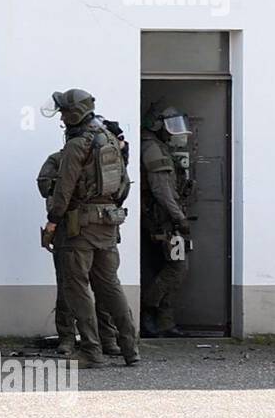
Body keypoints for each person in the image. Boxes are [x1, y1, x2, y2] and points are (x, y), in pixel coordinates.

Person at [41, 89, 140, 367]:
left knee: (77, 287)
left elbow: (64, 188)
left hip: (80, 227)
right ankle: (130, 350)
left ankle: (91, 351)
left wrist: (53, 220)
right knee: (110, 286)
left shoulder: (78, 144)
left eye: (63, 112)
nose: (61, 117)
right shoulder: (110, 138)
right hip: (108, 222)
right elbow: (123, 182)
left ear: (73, 113)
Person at [38, 150, 120, 356]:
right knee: (69, 287)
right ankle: (67, 338)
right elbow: (45, 186)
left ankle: (107, 338)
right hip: (70, 231)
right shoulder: (59, 159)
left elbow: (121, 189)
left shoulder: (110, 159)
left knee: (105, 288)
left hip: (100, 230)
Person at [140, 105, 194, 338]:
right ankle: (148, 311)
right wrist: (179, 218)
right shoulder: (153, 149)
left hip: (164, 219)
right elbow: (161, 191)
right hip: (163, 220)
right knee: (177, 267)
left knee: (165, 268)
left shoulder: (157, 147)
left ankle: (164, 322)